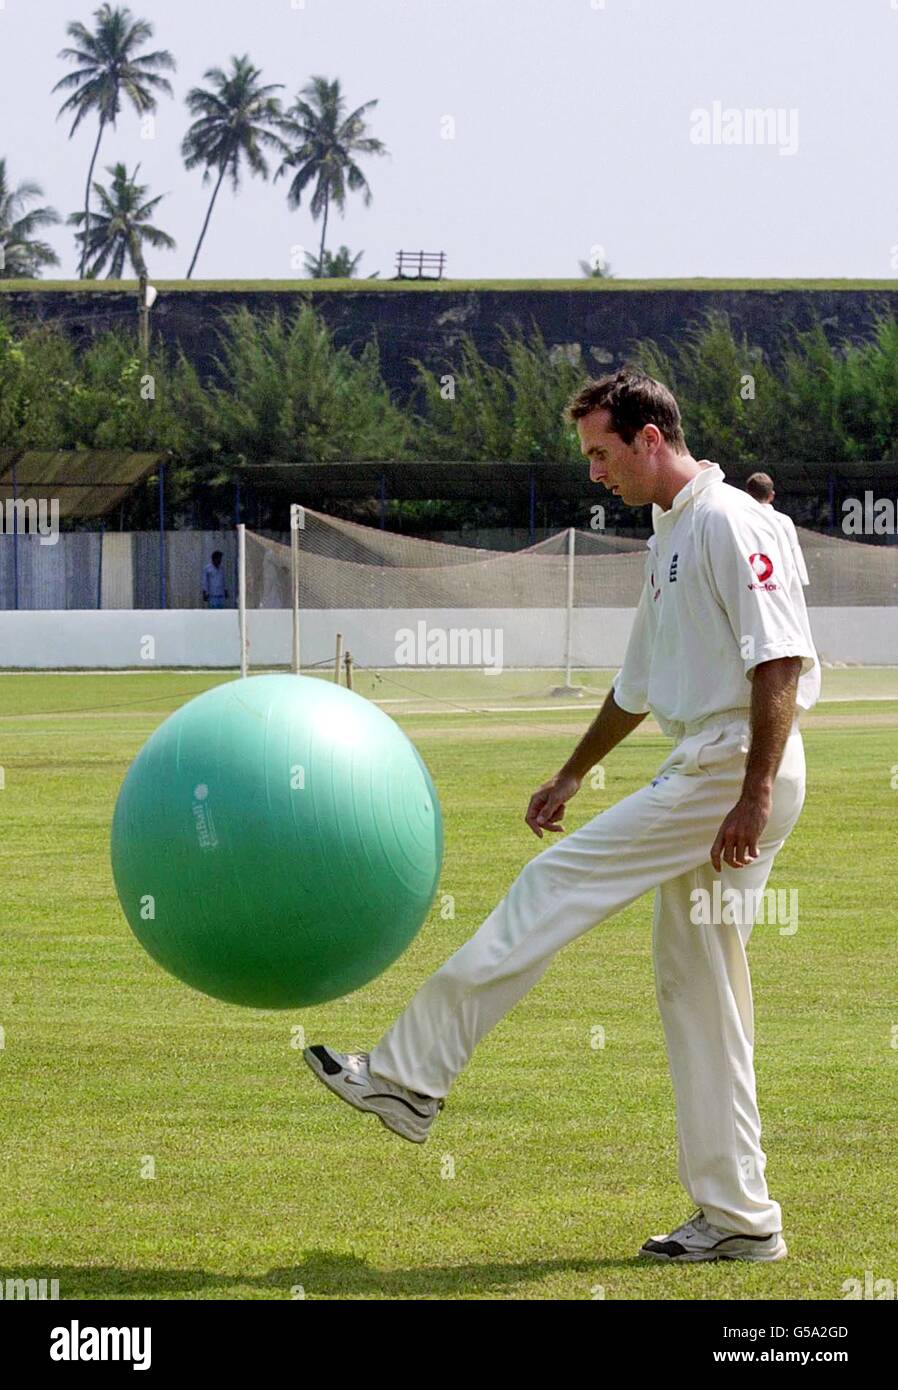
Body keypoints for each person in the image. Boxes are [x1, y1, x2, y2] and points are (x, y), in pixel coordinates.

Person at [305, 370, 820, 1264]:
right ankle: (741, 1219)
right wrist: (572, 773)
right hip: (712, 763)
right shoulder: (669, 535)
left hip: (732, 766)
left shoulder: (730, 521)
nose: (594, 473)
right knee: (700, 993)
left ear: (649, 440)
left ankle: (406, 1078)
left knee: (556, 881)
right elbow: (634, 687)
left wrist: (754, 791)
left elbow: (780, 662)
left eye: (600, 452)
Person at [745, 472, 809, 586]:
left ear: (748, 495)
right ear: (772, 495)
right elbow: (793, 550)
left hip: (750, 581)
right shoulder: (783, 520)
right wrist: (801, 579)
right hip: (780, 582)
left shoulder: (739, 519)